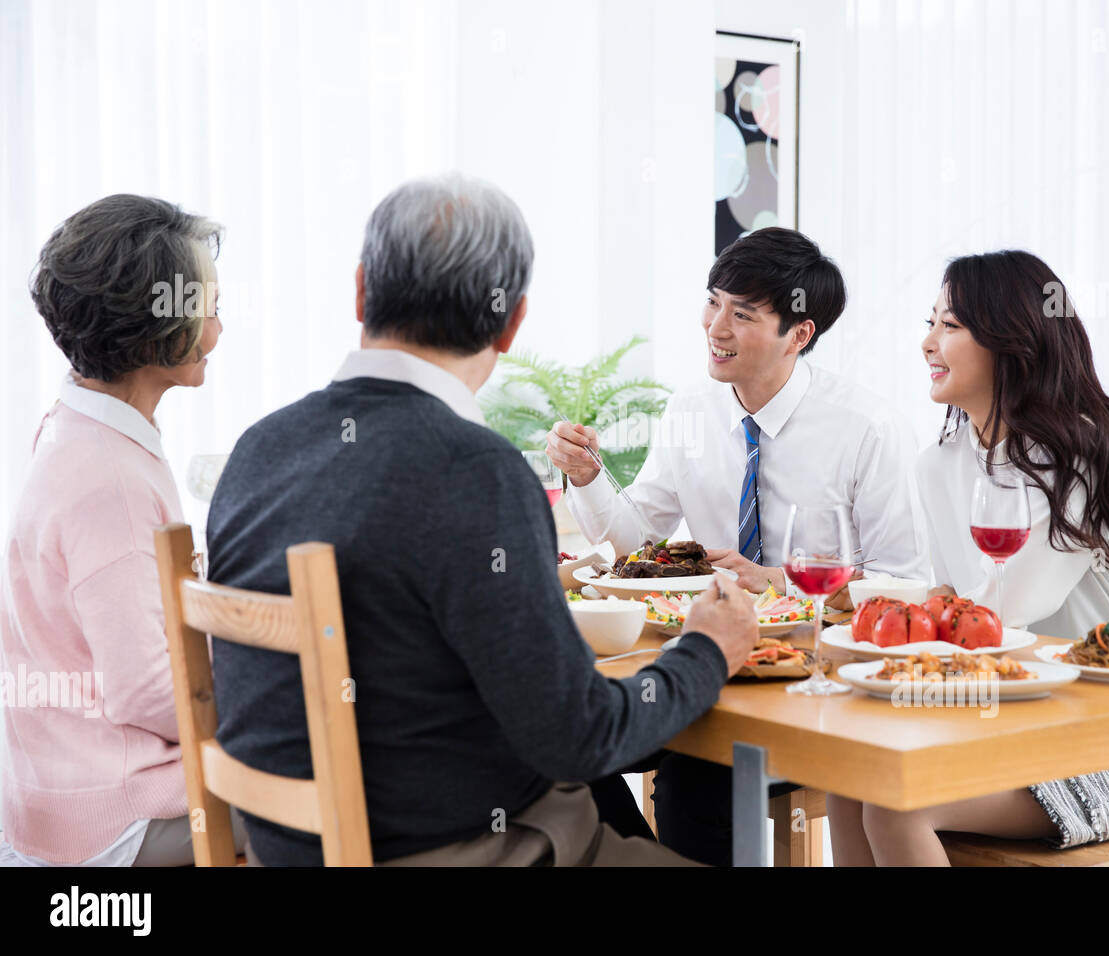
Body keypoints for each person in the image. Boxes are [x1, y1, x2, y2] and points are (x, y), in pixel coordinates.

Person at [204, 174, 758, 867]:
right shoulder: (475, 470)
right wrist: (708, 648)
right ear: (512, 321)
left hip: (282, 850)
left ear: (360, 289)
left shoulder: (262, 447)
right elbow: (579, 736)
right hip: (452, 848)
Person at [546, 227, 929, 866]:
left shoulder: (867, 428)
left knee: (696, 789)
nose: (715, 326)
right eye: (713, 302)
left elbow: (904, 583)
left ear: (798, 334)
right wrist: (587, 480)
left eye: (742, 313)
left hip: (810, 684)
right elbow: (640, 539)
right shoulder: (692, 408)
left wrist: (776, 580)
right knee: (562, 750)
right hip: (700, 669)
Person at [828, 250, 1109, 865]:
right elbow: (952, 613)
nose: (927, 343)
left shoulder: (1078, 453)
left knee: (893, 800)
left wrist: (911, 609)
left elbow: (1008, 610)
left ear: (1010, 342)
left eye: (950, 326)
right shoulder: (938, 466)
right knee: (846, 776)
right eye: (930, 322)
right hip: (1007, 720)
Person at [0, 194, 246, 866]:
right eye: (210, 310)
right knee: (341, 789)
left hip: (61, 795)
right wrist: (278, 690)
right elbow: (146, 691)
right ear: (146, 331)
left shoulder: (76, 432)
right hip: (115, 817)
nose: (219, 333)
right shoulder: (107, 477)